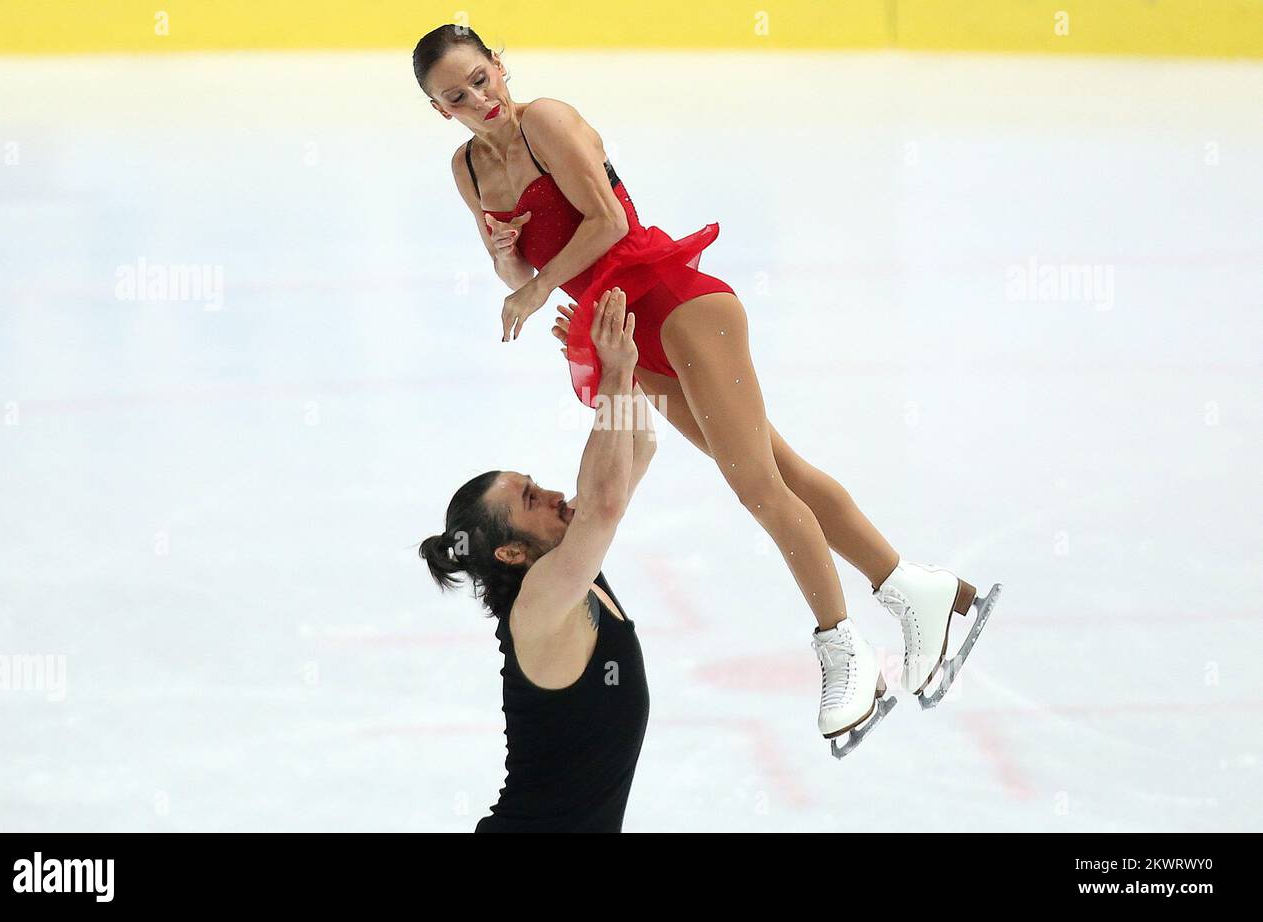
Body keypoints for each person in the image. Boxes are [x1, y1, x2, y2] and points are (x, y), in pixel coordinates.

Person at [413, 25, 999, 745]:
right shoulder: (466, 169)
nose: (478, 98)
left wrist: (536, 296)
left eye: (481, 77)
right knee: (781, 472)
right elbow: (518, 275)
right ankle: (915, 591)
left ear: (500, 66)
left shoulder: (545, 120)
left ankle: (843, 652)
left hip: (676, 302)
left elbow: (607, 221)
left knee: (757, 485)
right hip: (625, 334)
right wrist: (509, 261)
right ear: (440, 109)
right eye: (456, 96)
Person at [420, 289, 653, 832]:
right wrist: (615, 375)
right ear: (511, 552)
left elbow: (639, 448)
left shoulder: (568, 570)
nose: (553, 496)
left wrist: (609, 371)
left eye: (536, 486)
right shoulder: (541, 604)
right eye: (531, 500)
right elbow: (607, 503)